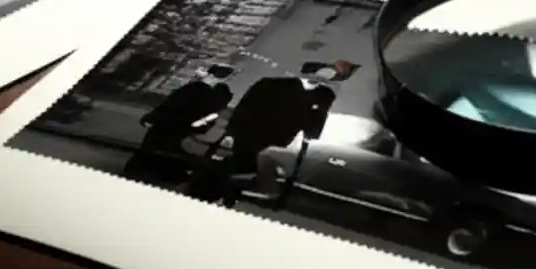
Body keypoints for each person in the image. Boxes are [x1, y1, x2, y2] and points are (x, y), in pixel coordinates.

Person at [188, 61, 359, 207]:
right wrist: (235, 130)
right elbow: (246, 107)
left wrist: (315, 121)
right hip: (251, 136)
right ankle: (211, 194)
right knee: (236, 168)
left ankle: (221, 195)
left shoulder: (321, 95)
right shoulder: (273, 85)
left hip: (270, 141)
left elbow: (313, 125)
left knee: (242, 170)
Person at [123, 64, 235, 186]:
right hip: (176, 131)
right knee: (158, 156)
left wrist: (153, 116)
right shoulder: (207, 95)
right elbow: (202, 122)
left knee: (151, 155)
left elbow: (170, 105)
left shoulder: (195, 90)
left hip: (167, 128)